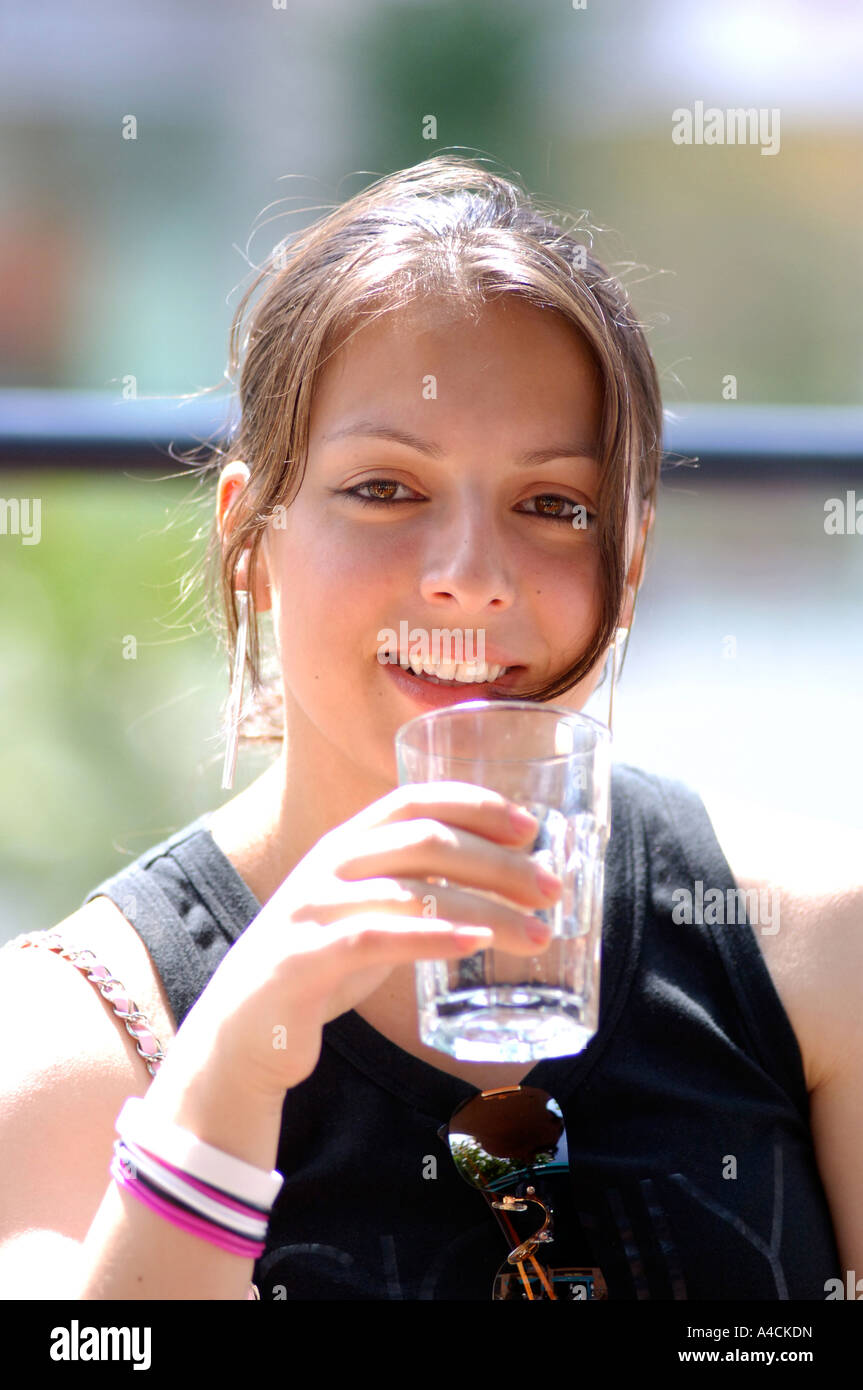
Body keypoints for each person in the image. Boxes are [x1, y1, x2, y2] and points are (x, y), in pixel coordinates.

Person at [1, 155, 859, 1302]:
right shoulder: (80, 1038)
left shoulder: (808, 951)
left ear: (631, 556)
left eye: (551, 505)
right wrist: (224, 1074)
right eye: (384, 490)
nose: (469, 578)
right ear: (252, 541)